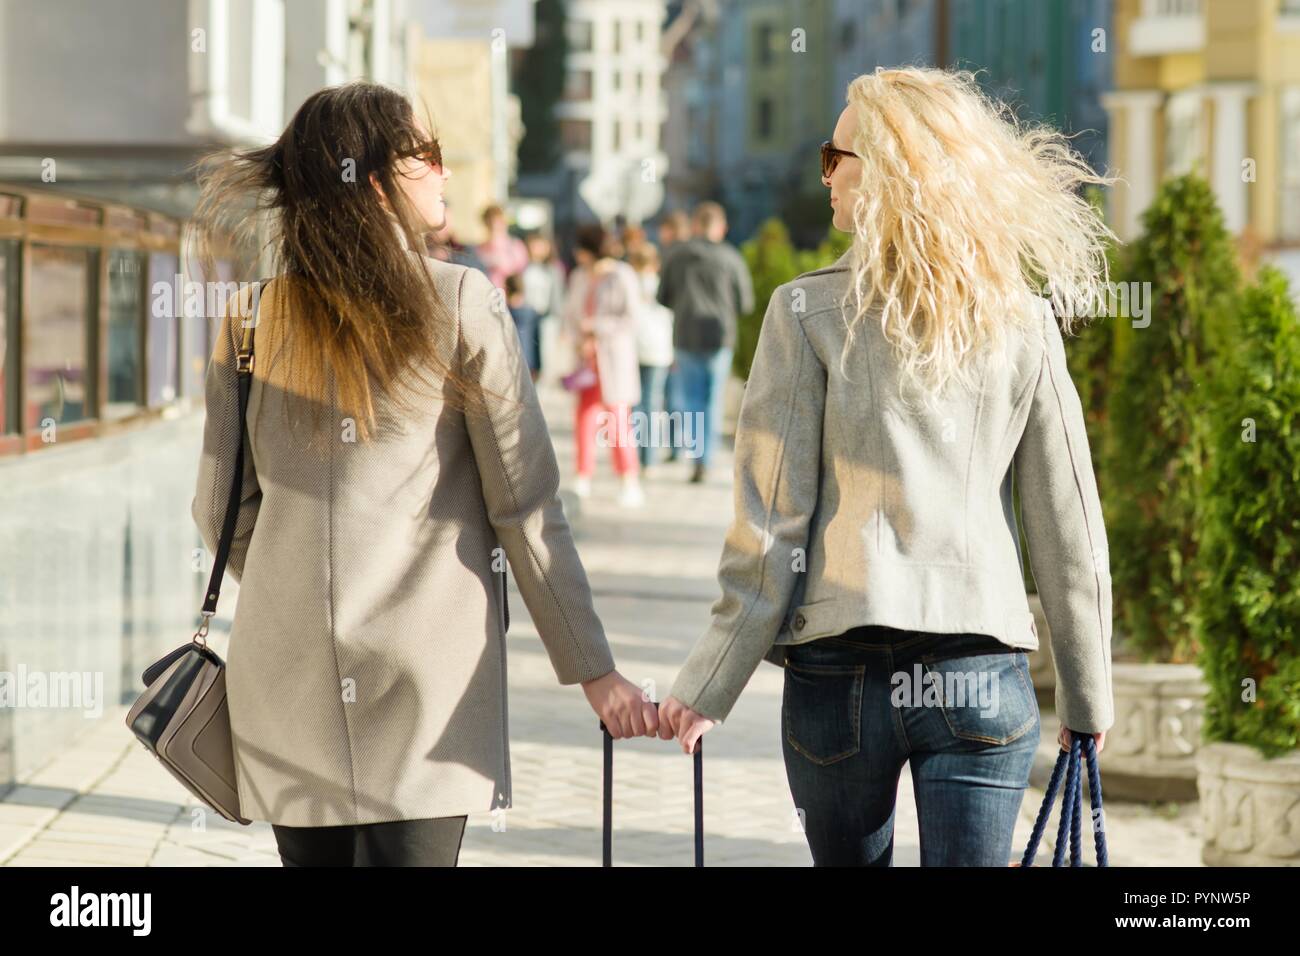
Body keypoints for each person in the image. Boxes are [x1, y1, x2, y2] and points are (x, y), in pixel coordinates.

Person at [188, 81, 657, 867]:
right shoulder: (462, 302)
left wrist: (294, 587)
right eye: (427, 154)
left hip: (286, 672)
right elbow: (525, 506)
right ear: (376, 180)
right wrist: (593, 670)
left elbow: (219, 510)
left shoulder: (249, 318)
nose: (444, 171)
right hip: (425, 679)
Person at [658, 66, 1117, 866]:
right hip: (979, 668)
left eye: (835, 157)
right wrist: (1088, 695)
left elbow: (771, 527)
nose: (826, 175)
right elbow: (1067, 527)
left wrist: (709, 683)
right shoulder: (1024, 321)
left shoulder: (803, 312)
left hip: (841, 673)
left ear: (886, 174)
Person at [656, 201, 754, 483]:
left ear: (696, 225)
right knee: (712, 400)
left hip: (686, 334)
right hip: (719, 336)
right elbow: (745, 303)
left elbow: (662, 297)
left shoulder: (676, 255)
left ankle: (697, 457)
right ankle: (706, 459)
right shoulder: (731, 258)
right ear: (721, 227)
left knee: (691, 400)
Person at [561, 223, 644, 508]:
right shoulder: (579, 277)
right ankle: (582, 475)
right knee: (583, 418)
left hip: (613, 359)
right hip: (586, 361)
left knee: (618, 421)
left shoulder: (622, 275)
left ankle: (628, 479)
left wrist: (596, 326)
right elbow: (570, 315)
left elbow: (632, 318)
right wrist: (576, 336)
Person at [628, 244, 674, 468]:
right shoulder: (664, 284)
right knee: (653, 404)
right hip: (659, 349)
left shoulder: (629, 285)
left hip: (633, 348)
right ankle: (650, 459)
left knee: (635, 404)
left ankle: (634, 456)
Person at [521, 231, 566, 379]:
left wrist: (562, 323)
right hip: (527, 317)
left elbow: (558, 297)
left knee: (546, 353)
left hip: (547, 317)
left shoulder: (553, 269)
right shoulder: (524, 268)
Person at [475, 204, 529, 290]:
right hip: (487, 292)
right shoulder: (479, 248)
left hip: (508, 293)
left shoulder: (515, 246)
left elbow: (520, 274)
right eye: (490, 222)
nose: (494, 226)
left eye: (498, 222)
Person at [505, 272, 541, 382]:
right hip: (529, 363)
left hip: (509, 363)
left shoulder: (504, 313)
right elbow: (537, 342)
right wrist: (538, 367)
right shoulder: (532, 312)